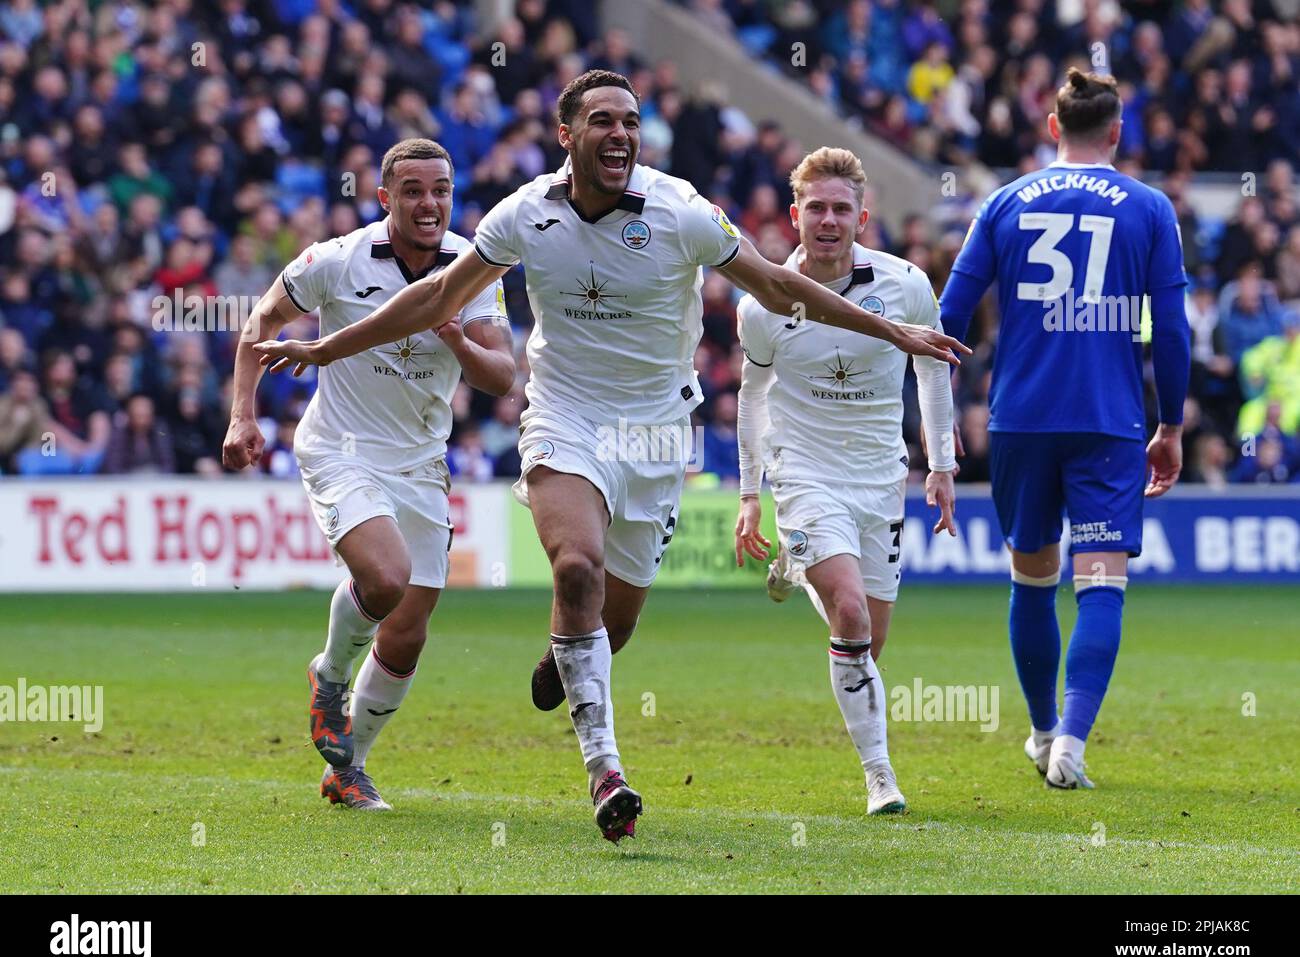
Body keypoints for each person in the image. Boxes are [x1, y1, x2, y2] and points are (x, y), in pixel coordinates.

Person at [254, 70, 969, 842]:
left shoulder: (680, 210)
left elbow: (773, 284)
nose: (621, 133)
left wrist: (892, 330)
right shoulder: (526, 214)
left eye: (630, 120)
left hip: (657, 435)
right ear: (568, 136)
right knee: (575, 570)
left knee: (613, 623)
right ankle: (606, 770)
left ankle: (562, 656)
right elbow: (434, 299)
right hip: (565, 416)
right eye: (602, 120)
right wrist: (330, 346)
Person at [222, 138, 514, 810]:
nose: (429, 203)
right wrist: (243, 416)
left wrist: (456, 338)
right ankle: (328, 674)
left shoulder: (473, 268)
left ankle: (348, 767)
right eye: (412, 190)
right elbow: (260, 323)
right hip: (342, 446)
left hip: (420, 460)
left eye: (439, 190)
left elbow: (502, 378)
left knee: (409, 627)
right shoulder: (336, 259)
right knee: (384, 578)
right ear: (384, 197)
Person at [938, 70, 1191, 789]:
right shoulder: (1149, 208)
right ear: (1116, 131)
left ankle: (1043, 727)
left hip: (1020, 418)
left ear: (1054, 128)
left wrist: (941, 412)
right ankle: (1073, 743)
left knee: (1032, 582)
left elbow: (948, 321)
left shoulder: (1003, 202)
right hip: (1109, 421)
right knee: (1102, 585)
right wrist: (1170, 422)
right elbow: (1168, 331)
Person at [733, 147, 958, 816]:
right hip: (801, 472)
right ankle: (880, 778)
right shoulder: (765, 301)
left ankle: (796, 564)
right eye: (816, 209)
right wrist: (751, 492)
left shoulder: (906, 283)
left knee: (867, 642)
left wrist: (940, 462)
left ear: (862, 217)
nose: (828, 221)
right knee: (851, 614)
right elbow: (752, 392)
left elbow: (934, 368)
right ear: (795, 214)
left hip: (878, 478)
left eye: (841, 209)